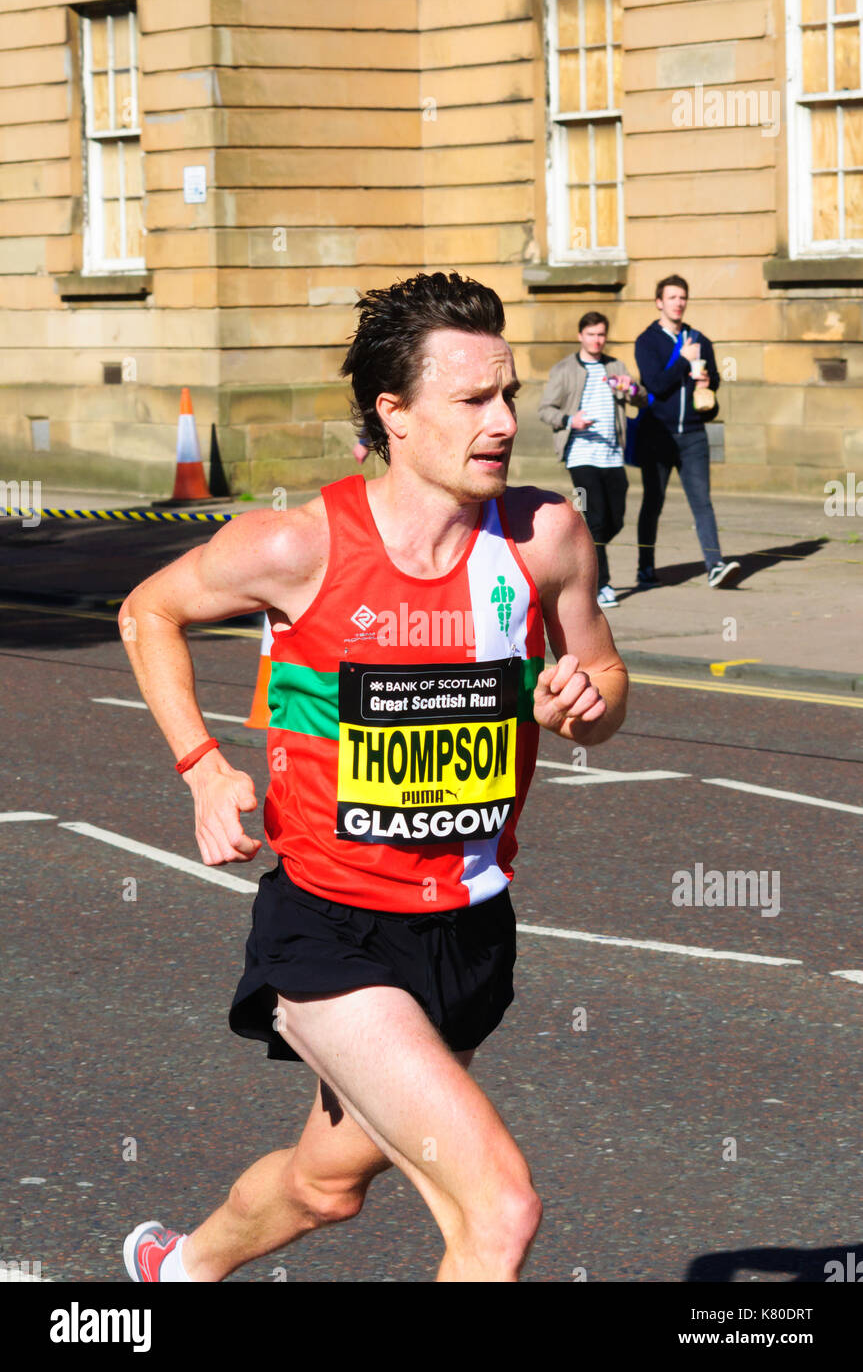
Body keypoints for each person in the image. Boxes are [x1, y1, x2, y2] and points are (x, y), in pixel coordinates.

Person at [118, 271, 628, 1284]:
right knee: (497, 1209)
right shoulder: (294, 543)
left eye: (508, 394)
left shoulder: (544, 539)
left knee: (327, 1184)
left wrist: (584, 702)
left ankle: (176, 1270)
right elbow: (147, 611)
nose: (501, 422)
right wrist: (203, 766)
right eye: (470, 400)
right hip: (330, 927)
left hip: (471, 931)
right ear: (393, 414)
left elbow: (607, 686)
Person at [634, 275, 740, 588]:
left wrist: (709, 383)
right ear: (659, 302)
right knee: (653, 502)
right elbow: (656, 384)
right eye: (672, 298)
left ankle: (715, 565)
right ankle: (645, 568)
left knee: (702, 502)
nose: (678, 303)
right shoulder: (647, 341)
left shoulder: (700, 338)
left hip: (694, 434)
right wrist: (683, 361)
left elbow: (716, 380)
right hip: (659, 434)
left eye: (682, 298)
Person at [538, 311, 648, 609]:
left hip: (612, 455)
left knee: (616, 519)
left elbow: (641, 399)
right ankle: (603, 585)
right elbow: (544, 409)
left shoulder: (615, 366)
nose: (596, 340)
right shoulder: (564, 370)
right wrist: (570, 419)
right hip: (581, 455)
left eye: (601, 334)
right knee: (596, 520)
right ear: (580, 336)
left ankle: (582, 550)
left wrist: (632, 388)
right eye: (591, 334)